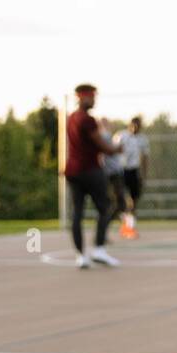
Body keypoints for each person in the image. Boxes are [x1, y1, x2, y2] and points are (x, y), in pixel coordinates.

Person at [64, 83, 124, 269]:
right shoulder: (87, 120)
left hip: (73, 170)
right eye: (92, 96)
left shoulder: (71, 118)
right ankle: (98, 249)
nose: (94, 99)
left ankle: (81, 255)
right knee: (105, 207)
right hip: (90, 170)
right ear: (83, 97)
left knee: (77, 212)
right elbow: (101, 145)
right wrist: (116, 149)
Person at [114, 116, 149, 238]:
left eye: (138, 126)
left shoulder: (142, 139)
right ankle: (125, 225)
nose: (136, 128)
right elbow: (113, 151)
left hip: (134, 171)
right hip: (121, 170)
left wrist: (144, 175)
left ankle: (130, 227)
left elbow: (145, 158)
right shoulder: (121, 136)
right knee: (120, 200)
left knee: (133, 201)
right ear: (130, 124)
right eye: (134, 125)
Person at [100, 117, 129, 233]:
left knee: (118, 203)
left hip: (114, 172)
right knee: (118, 203)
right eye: (106, 122)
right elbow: (106, 151)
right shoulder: (104, 135)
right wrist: (118, 149)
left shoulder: (108, 136)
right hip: (111, 174)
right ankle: (103, 227)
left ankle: (104, 227)